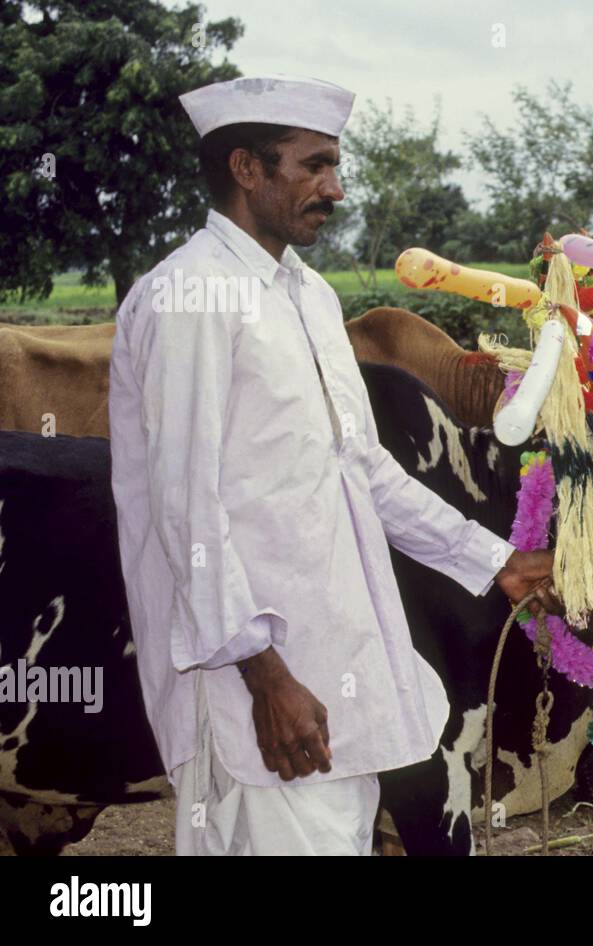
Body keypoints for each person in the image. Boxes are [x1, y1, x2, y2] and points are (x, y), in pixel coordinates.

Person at [108, 75, 561, 856]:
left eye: (335, 167)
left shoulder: (311, 298)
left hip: (336, 667)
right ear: (247, 169)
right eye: (314, 166)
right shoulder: (187, 297)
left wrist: (497, 562)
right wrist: (265, 678)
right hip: (256, 685)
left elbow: (363, 470)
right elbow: (187, 510)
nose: (336, 188)